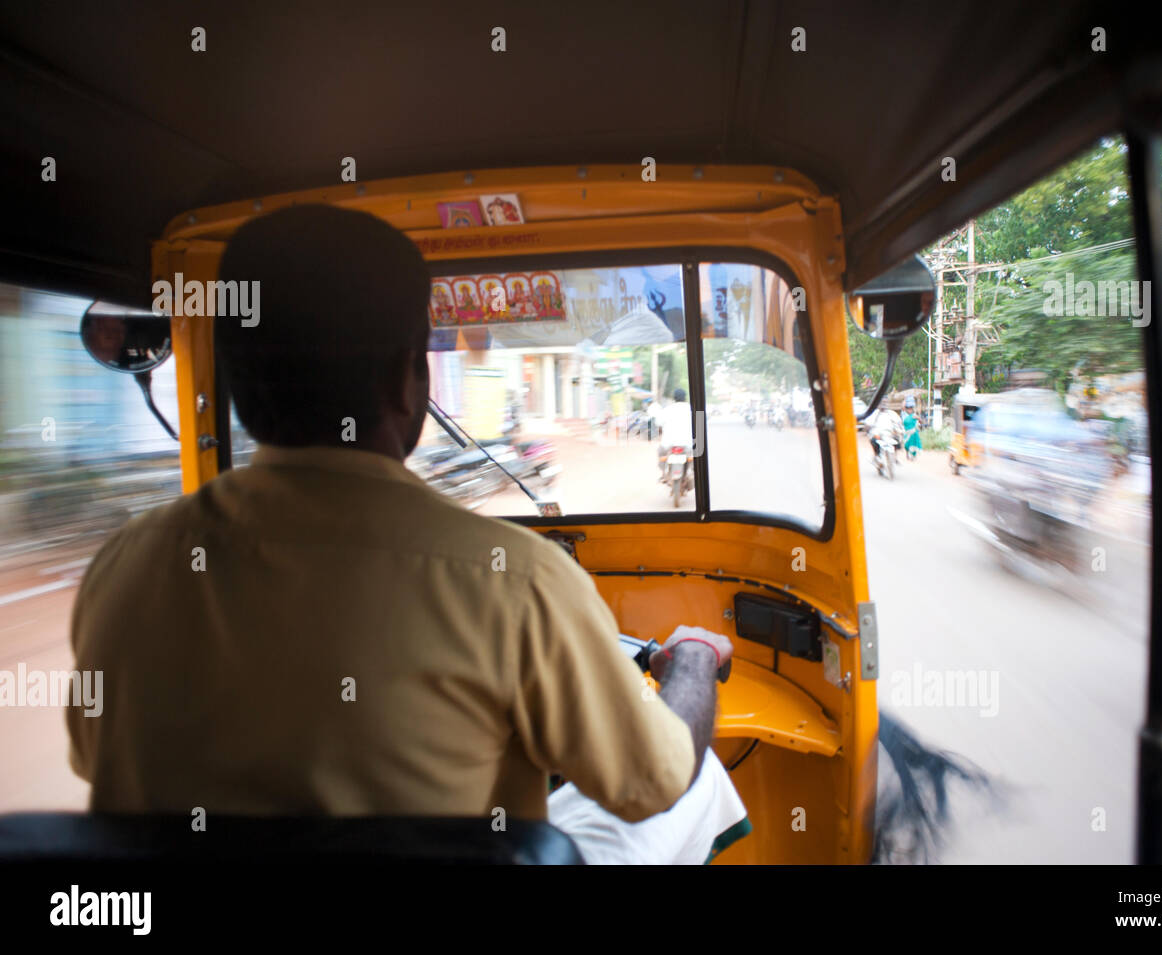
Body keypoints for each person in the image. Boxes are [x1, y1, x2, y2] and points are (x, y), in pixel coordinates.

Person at [65, 205, 742, 863]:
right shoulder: (513, 579)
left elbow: (90, 751)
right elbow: (653, 779)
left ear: (236, 384)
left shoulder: (127, 565)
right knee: (698, 778)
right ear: (406, 376)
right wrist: (690, 661)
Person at [657, 387, 694, 482]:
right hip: (688, 444)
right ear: (685, 397)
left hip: (668, 444)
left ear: (674, 398)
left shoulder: (666, 410)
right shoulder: (691, 409)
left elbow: (658, 423)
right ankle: (691, 472)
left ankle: (664, 473)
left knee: (660, 453)